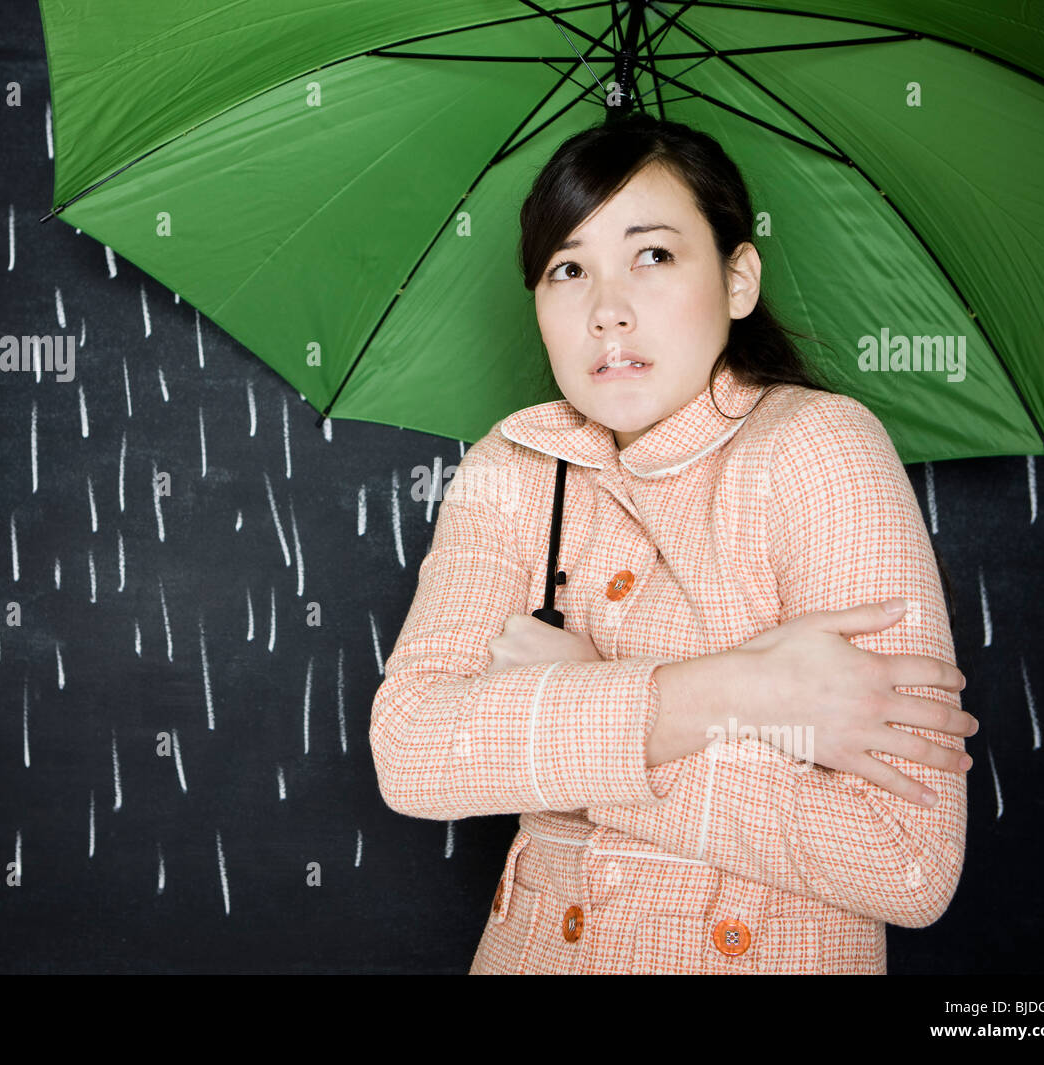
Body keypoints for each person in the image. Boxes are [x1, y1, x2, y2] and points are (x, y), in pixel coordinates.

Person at [369, 113, 976, 974]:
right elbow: (415, 753)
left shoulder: (821, 447)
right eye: (567, 268)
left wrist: (583, 699)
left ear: (738, 278)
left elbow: (905, 858)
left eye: (651, 255)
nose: (607, 311)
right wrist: (741, 689)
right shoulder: (513, 464)